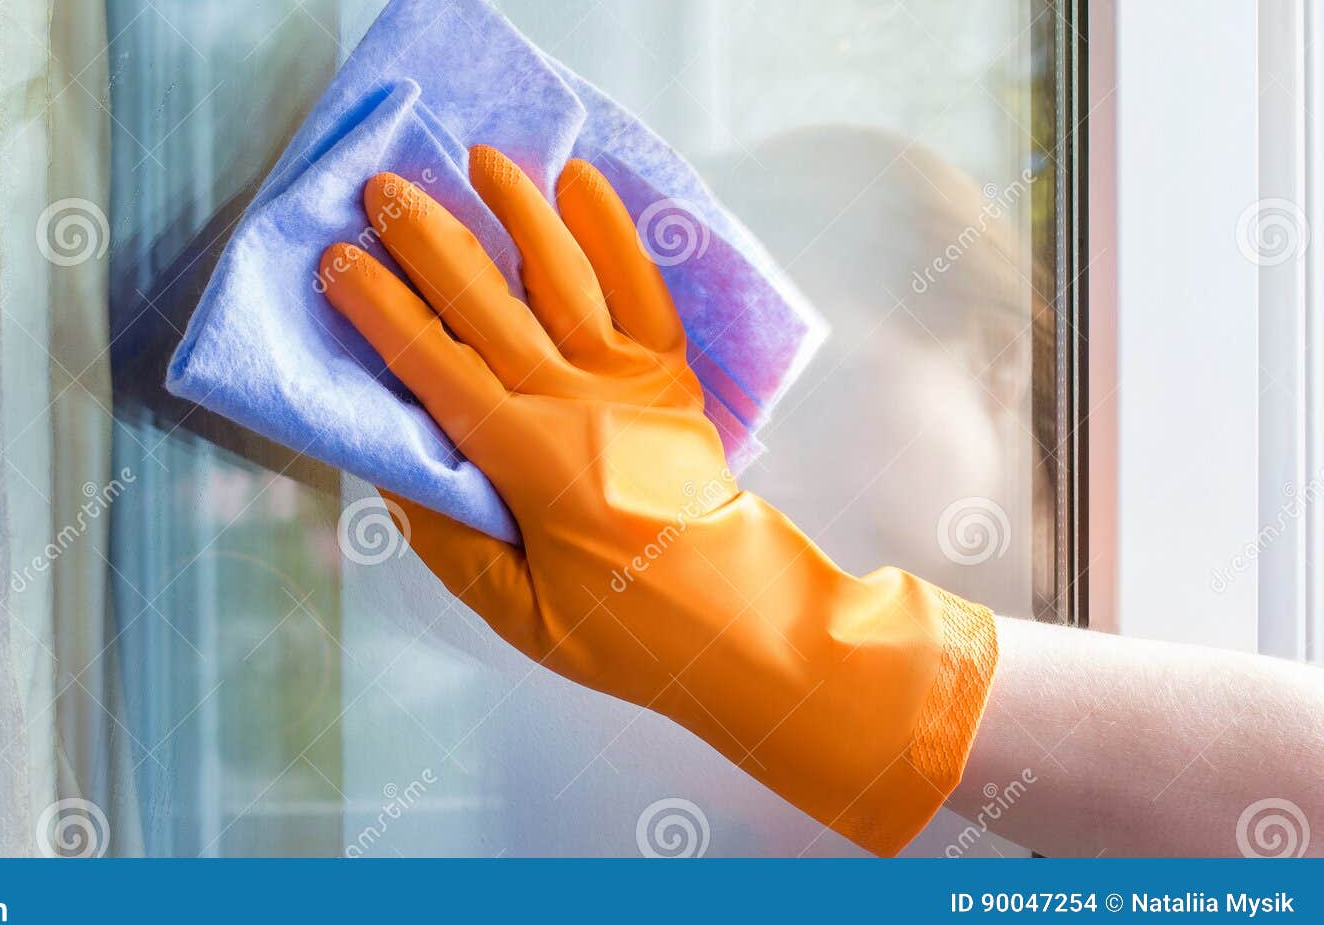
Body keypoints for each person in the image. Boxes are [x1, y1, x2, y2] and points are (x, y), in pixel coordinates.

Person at [318, 144, 1324, 858]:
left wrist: (811, 644)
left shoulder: (1260, 563)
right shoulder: (738, 792)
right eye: (722, 435)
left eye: (821, 390)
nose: (769, 472)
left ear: (992, 357)